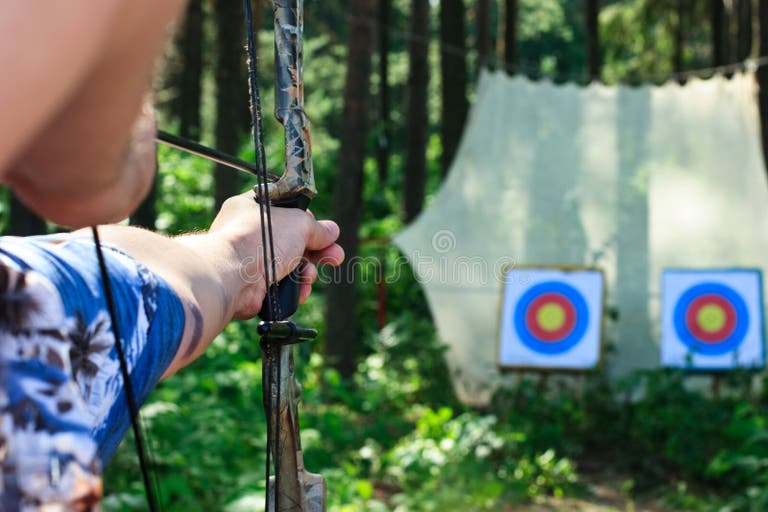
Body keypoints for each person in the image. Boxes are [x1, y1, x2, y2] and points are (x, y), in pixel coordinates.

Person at [0, 2, 343, 509]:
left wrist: (238, 254)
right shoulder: (25, 339)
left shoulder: (32, 305)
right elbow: (79, 182)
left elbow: (108, 275)